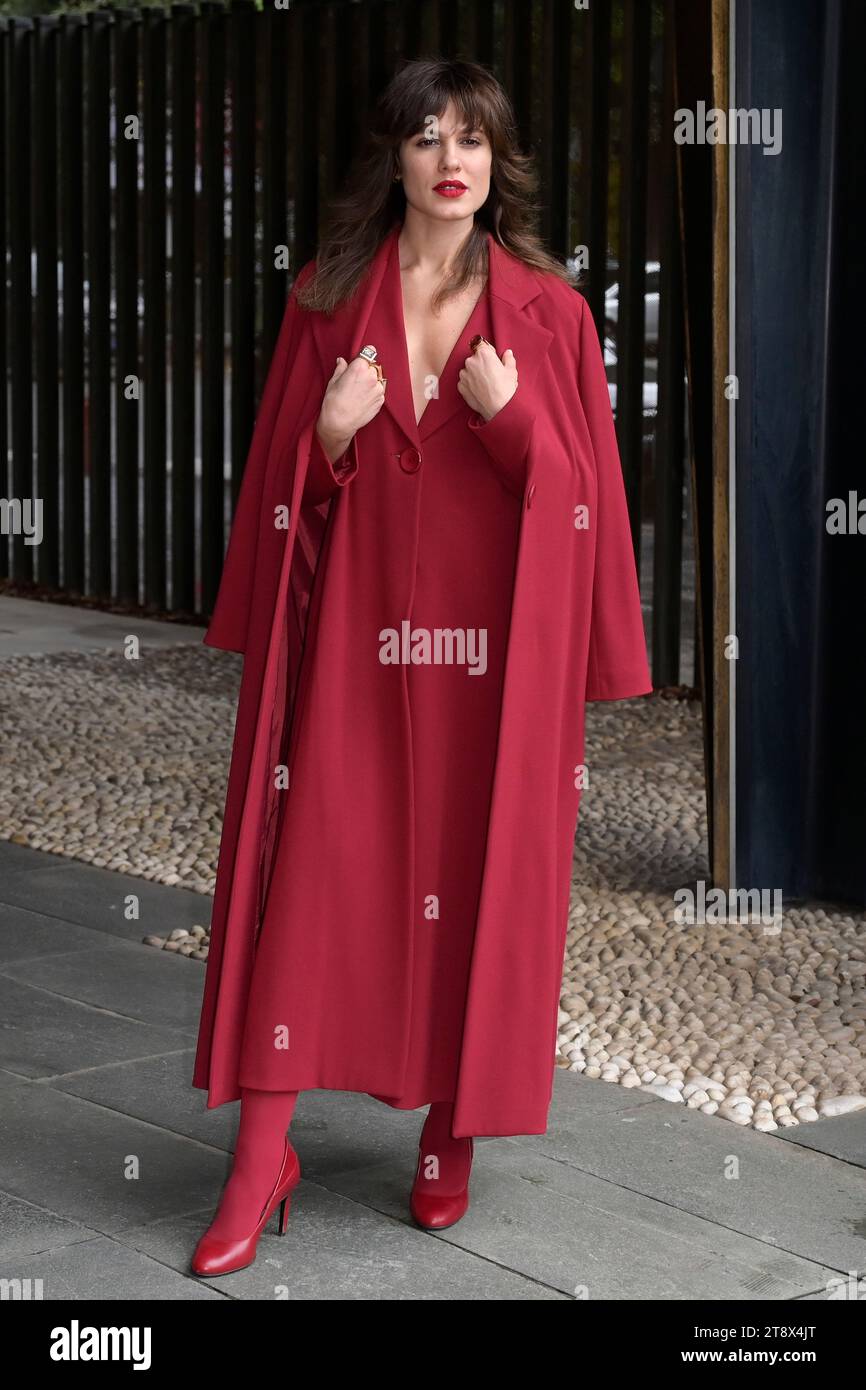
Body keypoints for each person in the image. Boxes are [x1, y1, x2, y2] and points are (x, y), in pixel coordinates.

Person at [190, 56, 651, 1278]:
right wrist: (327, 439)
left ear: (495, 165)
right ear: (391, 158)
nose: (451, 157)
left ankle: (450, 1135)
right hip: (349, 643)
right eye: (426, 136)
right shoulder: (326, 298)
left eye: (472, 139)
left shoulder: (550, 314)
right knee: (316, 879)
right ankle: (260, 1158)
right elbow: (283, 498)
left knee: (475, 870)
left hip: (489, 663)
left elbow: (584, 507)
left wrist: (508, 425)